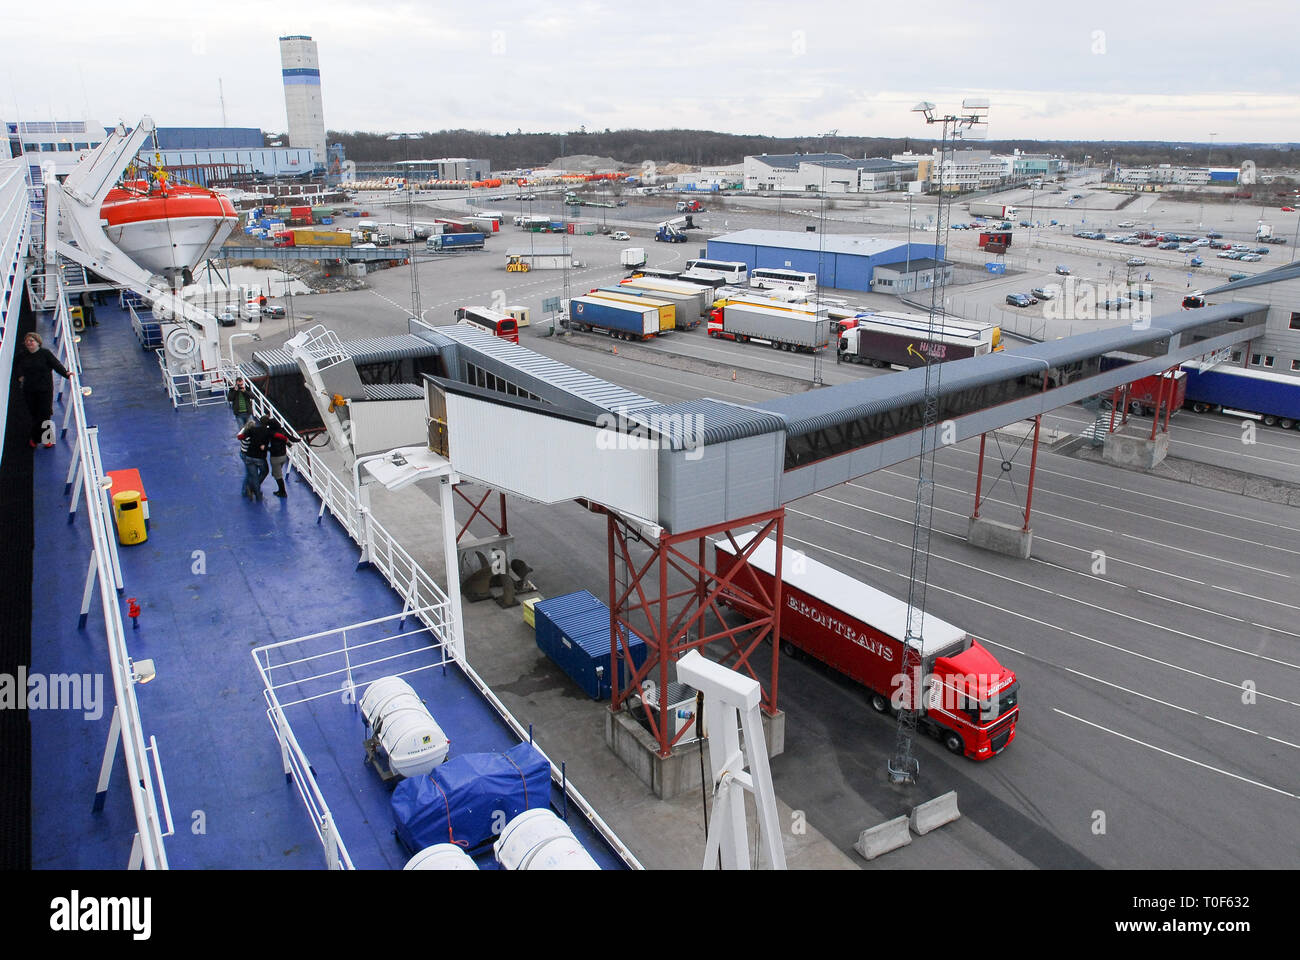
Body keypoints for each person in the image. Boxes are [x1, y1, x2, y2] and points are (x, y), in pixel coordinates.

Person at [15, 332, 71, 448]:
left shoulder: (45, 354)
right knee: (34, 414)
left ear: (37, 342)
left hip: (45, 389)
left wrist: (66, 374)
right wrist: (19, 376)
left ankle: (44, 439)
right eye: (27, 341)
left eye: (32, 341)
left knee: (45, 413)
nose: (29, 343)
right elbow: (17, 366)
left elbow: (56, 365)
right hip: (29, 389)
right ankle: (36, 437)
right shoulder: (22, 355)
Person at [262, 414, 300, 498]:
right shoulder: (282, 430)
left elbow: (272, 447)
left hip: (276, 457)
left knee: (278, 476)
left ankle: (282, 492)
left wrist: (266, 448)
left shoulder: (270, 433)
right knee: (277, 474)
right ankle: (281, 491)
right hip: (283, 456)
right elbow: (291, 438)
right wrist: (298, 439)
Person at [237, 416, 271, 502]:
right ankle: (250, 489)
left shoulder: (248, 431)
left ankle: (255, 493)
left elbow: (240, 436)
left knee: (253, 475)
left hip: (247, 455)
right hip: (257, 457)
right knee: (262, 472)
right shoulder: (262, 433)